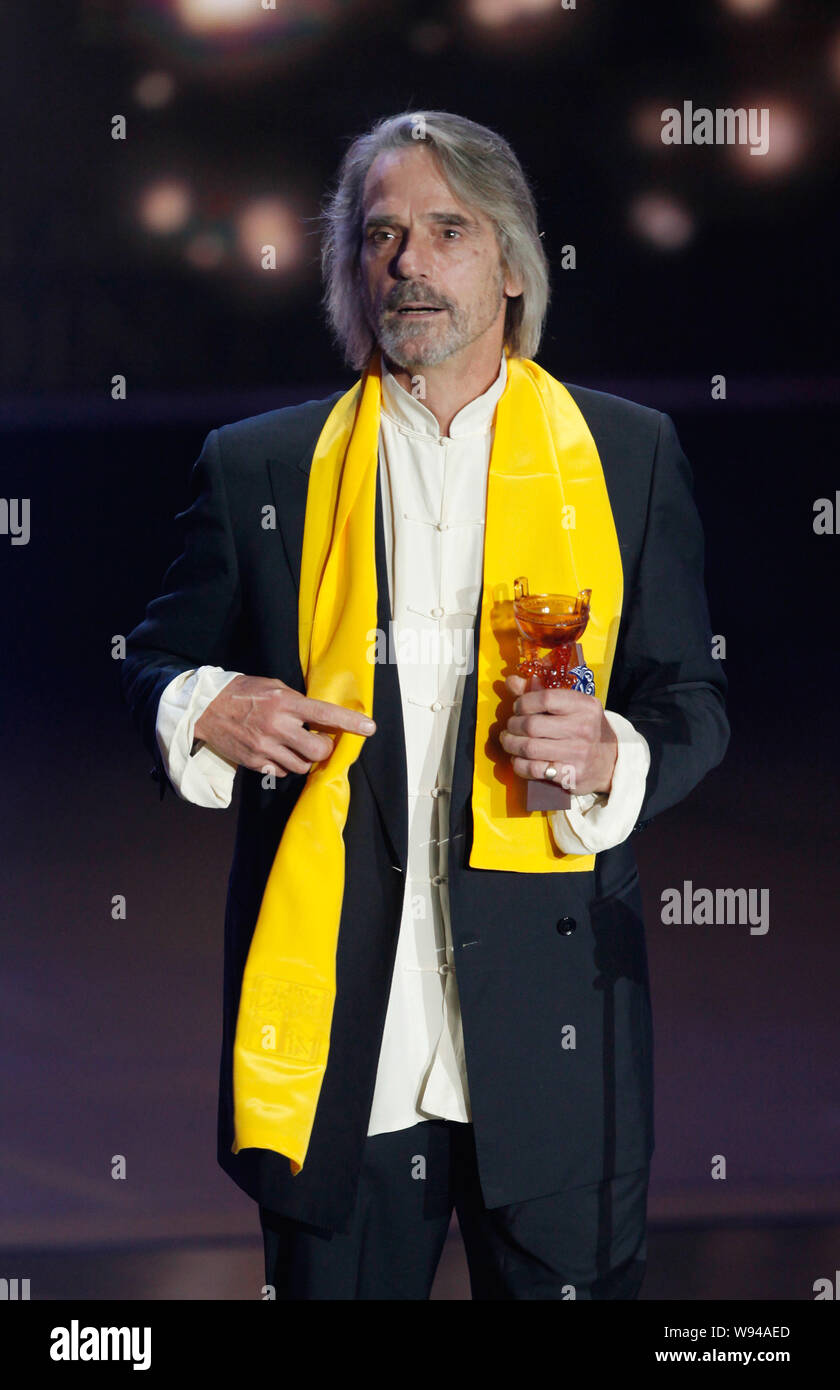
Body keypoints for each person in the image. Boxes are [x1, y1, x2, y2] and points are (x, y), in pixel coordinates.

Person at [121, 110, 729, 1300]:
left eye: (448, 229)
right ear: (353, 269)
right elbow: (154, 662)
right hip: (350, 1048)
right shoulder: (262, 468)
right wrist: (207, 703)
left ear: (511, 264)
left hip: (559, 1049)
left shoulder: (628, 452)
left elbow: (693, 698)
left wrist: (616, 751)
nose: (409, 260)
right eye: (382, 234)